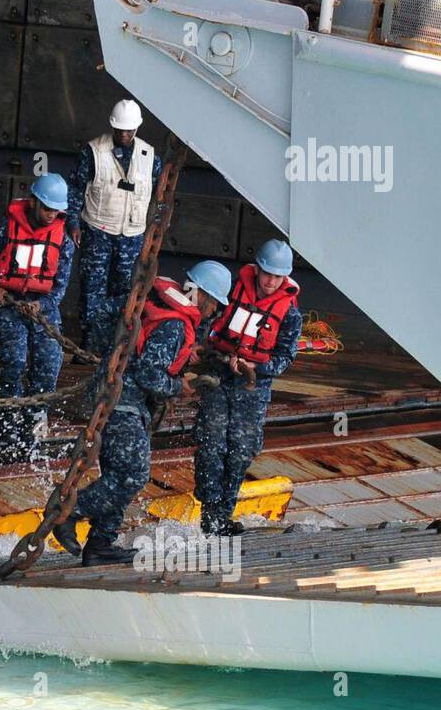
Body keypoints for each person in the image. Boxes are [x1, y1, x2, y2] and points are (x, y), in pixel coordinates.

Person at [57, 261, 231, 566]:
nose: (213, 311)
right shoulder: (174, 324)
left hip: (116, 395)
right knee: (133, 475)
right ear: (200, 295)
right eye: (214, 303)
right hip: (122, 402)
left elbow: (106, 319)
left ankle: (100, 544)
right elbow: (150, 374)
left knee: (118, 475)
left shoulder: (157, 304)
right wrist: (180, 387)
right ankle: (69, 510)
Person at [194, 239, 303, 536]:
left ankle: (222, 515)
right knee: (211, 443)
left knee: (241, 450)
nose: (270, 281)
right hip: (219, 375)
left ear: (285, 278)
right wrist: (207, 350)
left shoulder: (290, 313)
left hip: (252, 388)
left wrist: (257, 368)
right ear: (256, 268)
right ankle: (209, 509)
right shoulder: (232, 291)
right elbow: (207, 318)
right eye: (266, 273)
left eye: (277, 277)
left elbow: (284, 357)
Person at [0, 173, 75, 454]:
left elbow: (60, 285)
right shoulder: (4, 228)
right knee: (14, 361)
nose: (50, 215)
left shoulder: (62, 240)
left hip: (43, 307)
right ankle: (9, 420)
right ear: (33, 202)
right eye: (46, 208)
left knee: (48, 362)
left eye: (56, 210)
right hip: (9, 303)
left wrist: (42, 305)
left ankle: (35, 421)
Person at [66, 99, 162, 353]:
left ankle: (113, 347)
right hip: (97, 231)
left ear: (137, 129)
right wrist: (73, 222)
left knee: (123, 293)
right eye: (120, 130)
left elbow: (157, 199)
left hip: (131, 236)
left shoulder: (150, 157)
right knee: (92, 291)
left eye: (129, 130)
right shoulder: (93, 151)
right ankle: (88, 347)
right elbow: (76, 189)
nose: (124, 135)